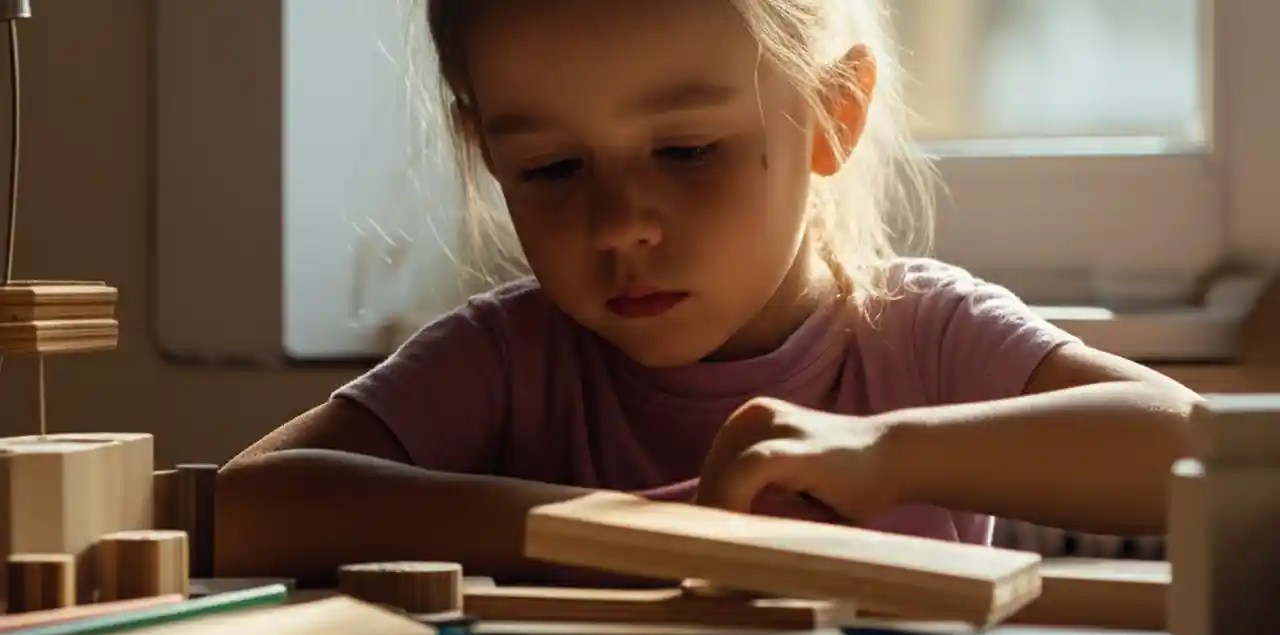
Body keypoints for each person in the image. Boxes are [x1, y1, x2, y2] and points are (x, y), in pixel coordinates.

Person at [213, 0, 1205, 586]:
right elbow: (251, 507)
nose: (617, 226)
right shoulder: (509, 356)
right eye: (552, 168)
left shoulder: (918, 338)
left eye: (686, 151)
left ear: (829, 114)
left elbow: (1190, 444)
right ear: (486, 157)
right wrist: (640, 536)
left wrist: (888, 451)